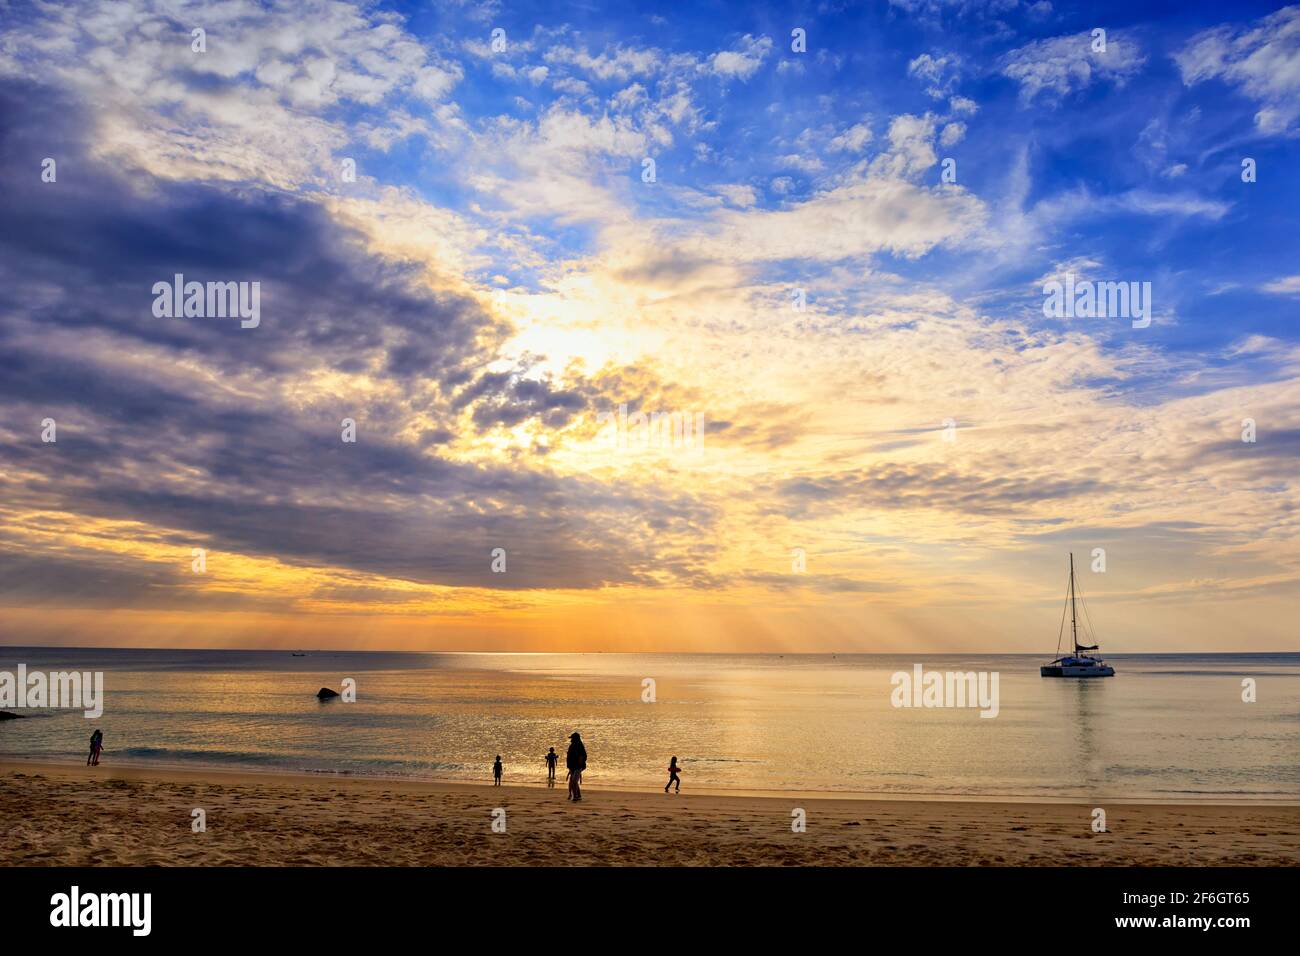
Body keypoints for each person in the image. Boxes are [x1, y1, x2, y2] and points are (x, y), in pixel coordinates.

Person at [566, 732, 587, 802]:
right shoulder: (572, 746)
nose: (571, 739)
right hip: (572, 766)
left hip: (578, 766)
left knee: (574, 781)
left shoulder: (580, 746)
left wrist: (581, 759)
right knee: (573, 781)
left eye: (572, 738)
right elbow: (568, 757)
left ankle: (575, 796)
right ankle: (578, 795)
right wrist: (569, 767)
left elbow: (584, 756)